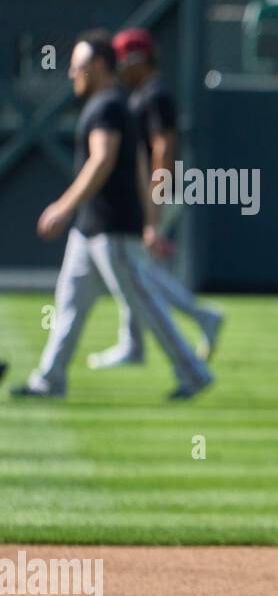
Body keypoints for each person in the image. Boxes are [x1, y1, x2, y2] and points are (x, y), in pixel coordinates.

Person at [12, 31, 212, 400]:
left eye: (79, 65)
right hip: (93, 228)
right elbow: (137, 164)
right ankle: (50, 378)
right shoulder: (116, 103)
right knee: (70, 303)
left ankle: (193, 371)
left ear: (100, 66)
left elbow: (102, 159)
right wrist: (150, 219)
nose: (72, 72)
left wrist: (64, 206)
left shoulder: (108, 106)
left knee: (146, 302)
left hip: (111, 226)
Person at [85, 28, 224, 371]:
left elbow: (163, 147)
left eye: (123, 60)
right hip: (147, 192)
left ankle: (201, 317)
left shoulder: (156, 93)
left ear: (138, 59)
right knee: (137, 270)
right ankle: (134, 343)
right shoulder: (143, 93)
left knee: (138, 270)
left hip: (155, 192)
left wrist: (156, 201)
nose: (119, 68)